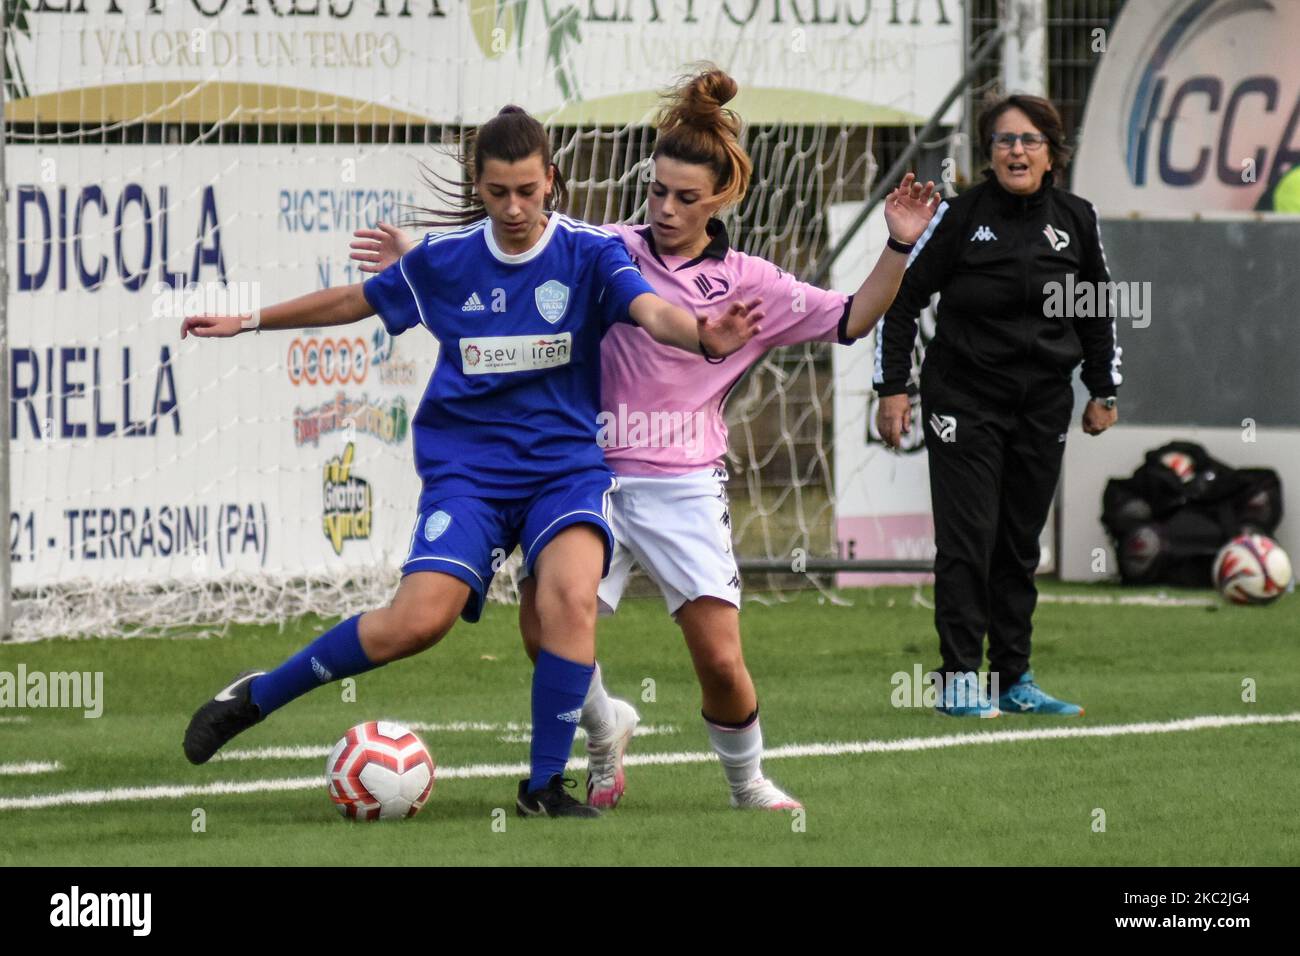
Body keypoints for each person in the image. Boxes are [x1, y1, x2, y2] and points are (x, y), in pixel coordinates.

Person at [352, 68, 939, 810]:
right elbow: (511, 242)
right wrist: (417, 254)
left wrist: (897, 243)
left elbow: (855, 318)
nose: (665, 208)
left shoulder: (752, 282)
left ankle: (747, 782)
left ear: (720, 199)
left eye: (685, 197)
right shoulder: (607, 249)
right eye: (657, 191)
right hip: (585, 475)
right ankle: (604, 732)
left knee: (720, 661)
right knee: (543, 629)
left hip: (683, 485)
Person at [179, 105, 761, 820]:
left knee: (569, 602)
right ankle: (258, 696)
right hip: (470, 474)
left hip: (564, 472)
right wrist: (250, 318)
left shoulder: (589, 254)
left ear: (551, 180)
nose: (515, 207)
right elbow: (354, 301)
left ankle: (544, 786)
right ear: (477, 189)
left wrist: (703, 335)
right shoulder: (447, 262)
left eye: (527, 190)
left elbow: (650, 312)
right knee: (415, 625)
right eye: (497, 193)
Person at [874, 93, 1121, 717]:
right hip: (964, 400)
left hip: (1042, 404)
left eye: (1029, 140)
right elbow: (899, 301)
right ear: (989, 154)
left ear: (1051, 153)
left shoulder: (1078, 218)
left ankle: (1014, 679)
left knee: (1018, 543)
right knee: (969, 539)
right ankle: (959, 678)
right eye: (1004, 140)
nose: (1016, 150)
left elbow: (1096, 306)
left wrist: (1103, 387)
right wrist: (893, 389)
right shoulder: (958, 218)